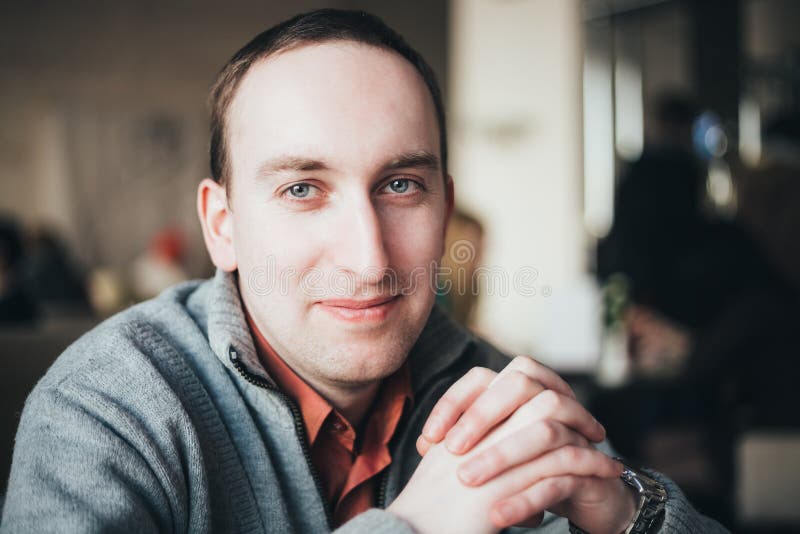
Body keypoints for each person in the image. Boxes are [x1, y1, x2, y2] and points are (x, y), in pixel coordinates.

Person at [0, 9, 726, 534]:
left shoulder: (494, 390)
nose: (369, 258)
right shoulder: (107, 406)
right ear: (222, 225)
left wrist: (627, 514)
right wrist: (411, 528)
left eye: (401, 185)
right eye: (302, 189)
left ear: (446, 210)